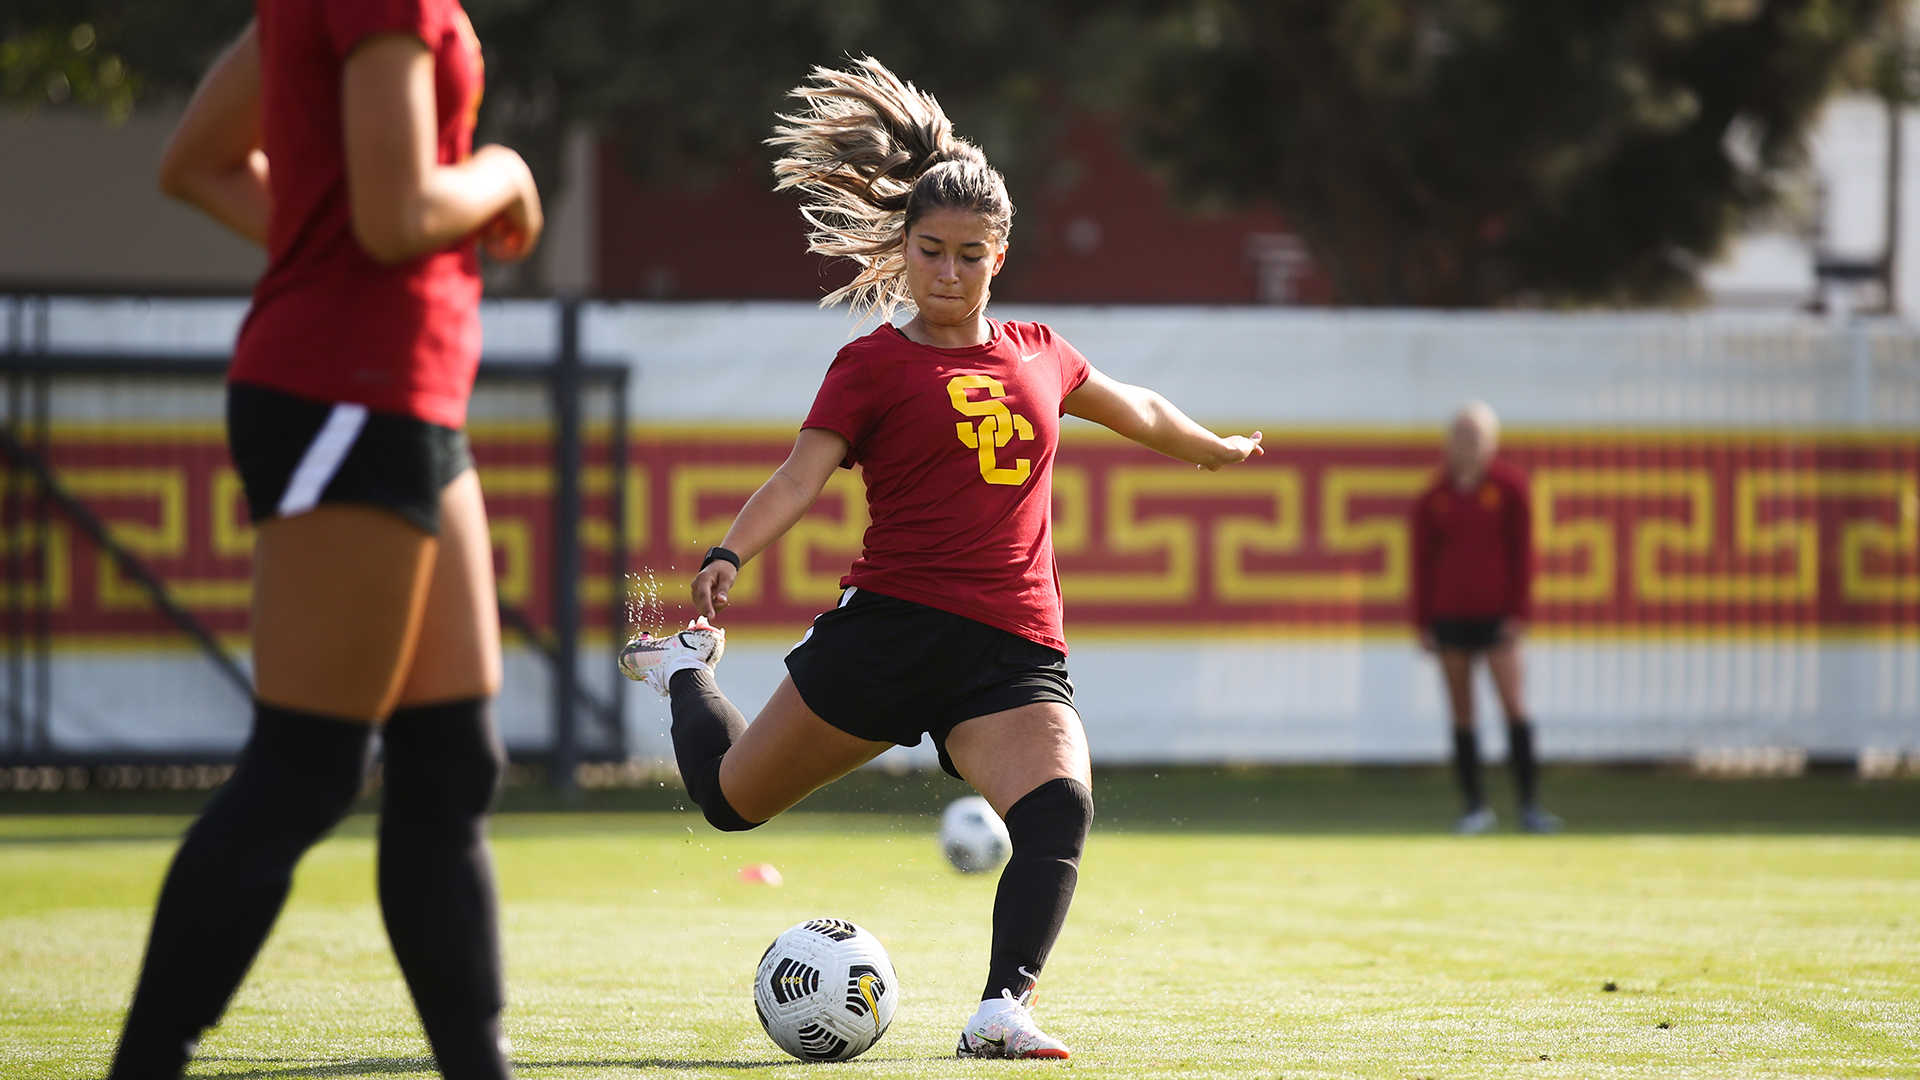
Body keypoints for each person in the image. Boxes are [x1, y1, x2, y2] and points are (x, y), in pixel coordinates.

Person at [619, 57, 1263, 1061]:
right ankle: (686, 672)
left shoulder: (1044, 353)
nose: (949, 273)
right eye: (931, 252)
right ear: (904, 249)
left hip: (1009, 650)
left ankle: (1001, 1009)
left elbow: (1135, 406)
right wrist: (728, 552)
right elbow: (799, 478)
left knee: (1059, 807)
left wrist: (1210, 445)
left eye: (970, 255)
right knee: (728, 803)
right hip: (889, 631)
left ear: (998, 257)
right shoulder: (871, 362)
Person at [110, 1, 541, 1076]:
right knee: (309, 764)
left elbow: (196, 164)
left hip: (400, 396)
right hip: (352, 393)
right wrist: (505, 172)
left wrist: (321, 245)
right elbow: (395, 220)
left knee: (448, 762)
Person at [1410, 402, 1560, 836]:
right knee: (1462, 714)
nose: (1467, 445)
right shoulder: (1432, 497)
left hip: (1499, 618)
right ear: (1448, 443)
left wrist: (1519, 613)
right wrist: (1423, 622)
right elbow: (1421, 564)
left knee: (1514, 706)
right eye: (1460, 436)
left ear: (1492, 442)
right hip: (1449, 616)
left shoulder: (1511, 488)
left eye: (1475, 437)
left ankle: (1530, 806)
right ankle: (1474, 807)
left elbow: (1523, 556)